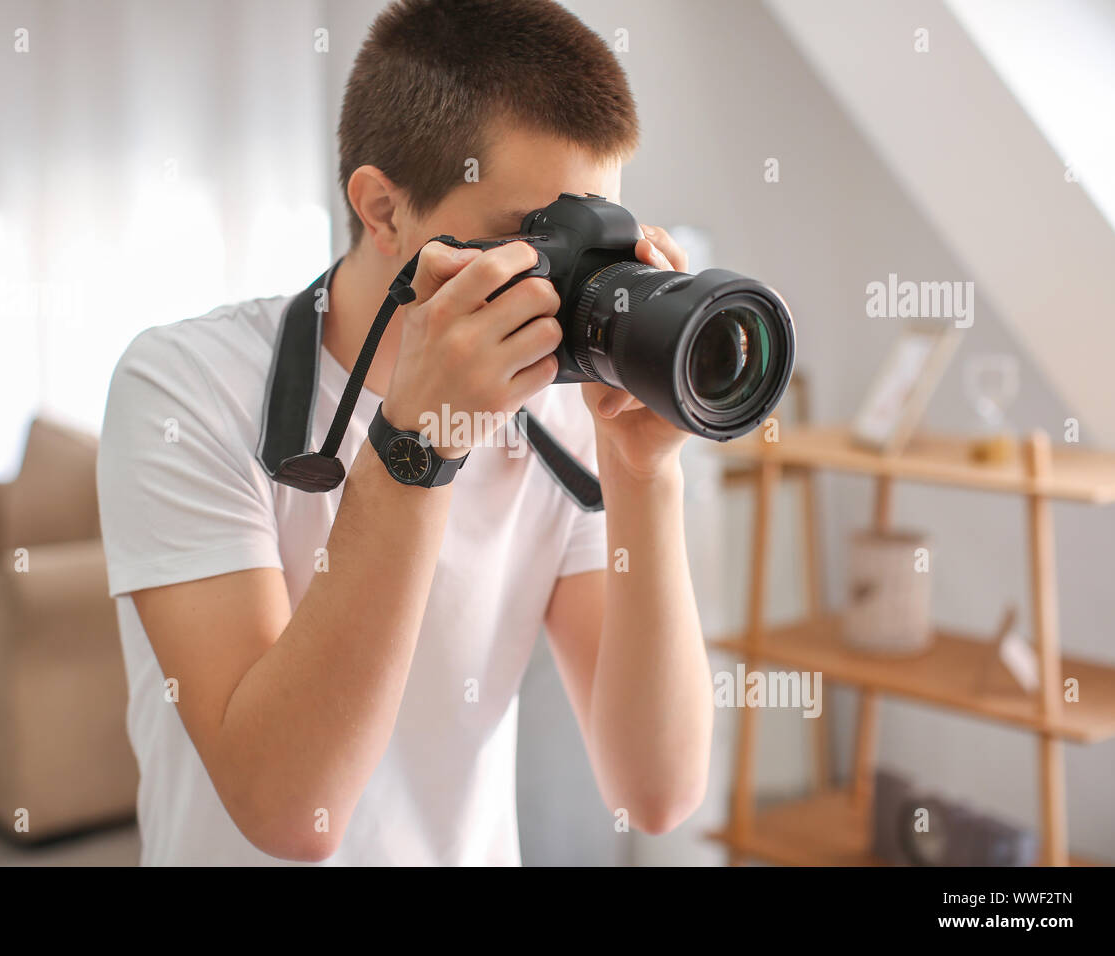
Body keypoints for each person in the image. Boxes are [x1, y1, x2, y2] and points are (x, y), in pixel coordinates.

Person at [97, 0, 713, 866]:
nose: (564, 289)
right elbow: (289, 813)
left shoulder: (567, 411)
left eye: (594, 242)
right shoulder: (184, 389)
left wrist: (647, 479)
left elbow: (655, 792)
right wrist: (415, 443)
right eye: (533, 239)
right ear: (384, 211)